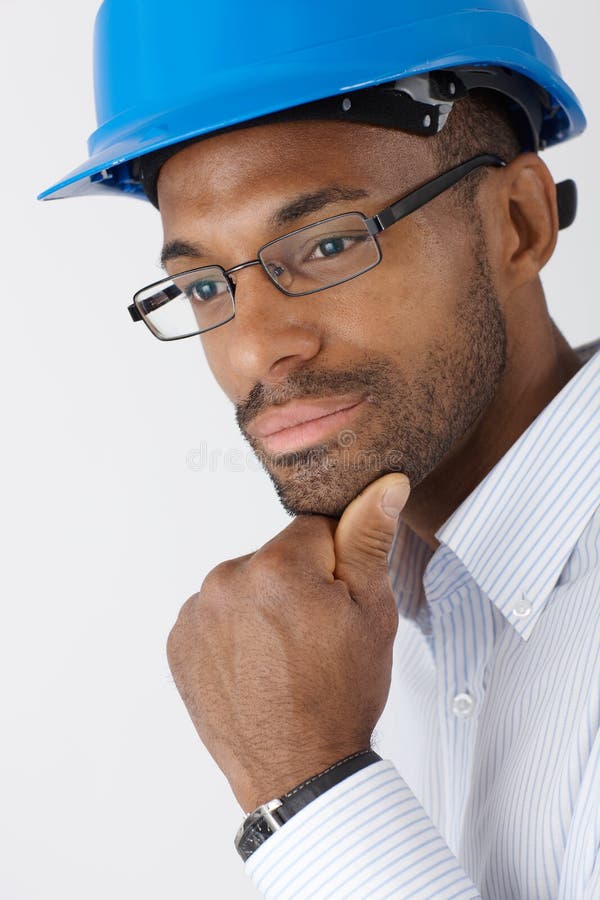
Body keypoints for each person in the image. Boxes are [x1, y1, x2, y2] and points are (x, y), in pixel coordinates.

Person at [39, 1, 599, 896]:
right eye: (203, 286)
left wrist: (310, 787)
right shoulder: (345, 639)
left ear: (519, 224)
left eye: (329, 244)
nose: (253, 350)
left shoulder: (306, 711)